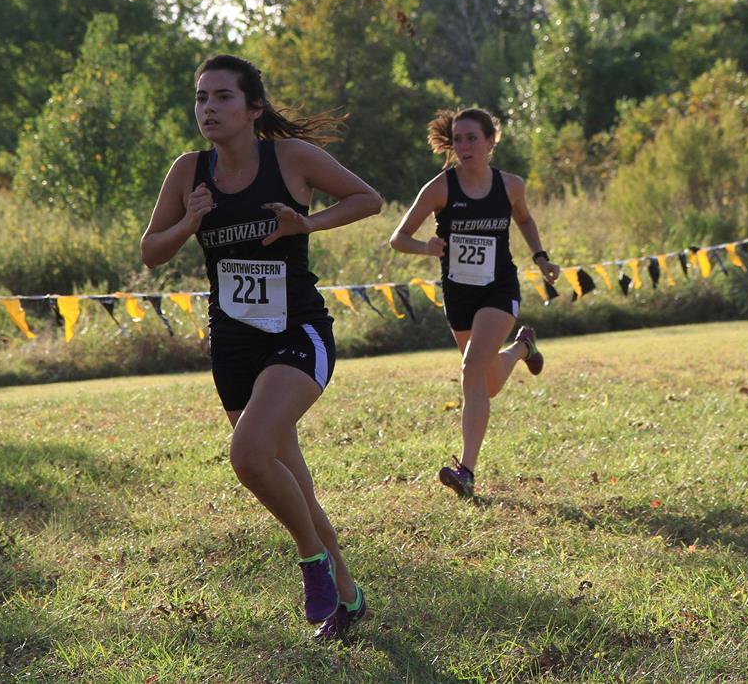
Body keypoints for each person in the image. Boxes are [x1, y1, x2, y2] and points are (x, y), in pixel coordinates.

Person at [141, 55, 381, 641]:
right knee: (291, 479)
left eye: (222, 97)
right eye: (201, 98)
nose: (208, 109)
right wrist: (188, 224)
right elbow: (152, 252)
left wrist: (308, 225)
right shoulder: (188, 172)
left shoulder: (290, 159)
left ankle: (311, 564)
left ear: (252, 109)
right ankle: (347, 598)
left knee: (248, 455)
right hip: (233, 346)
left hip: (297, 333)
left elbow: (367, 200)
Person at [388, 107, 560, 498]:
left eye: (472, 138)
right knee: (488, 382)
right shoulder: (440, 188)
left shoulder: (510, 185)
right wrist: (425, 247)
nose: (464, 146)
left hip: (499, 289)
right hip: (458, 294)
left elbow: (526, 221)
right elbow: (398, 238)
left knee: (469, 371)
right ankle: (521, 348)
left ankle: (465, 470)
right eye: (458, 139)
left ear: (490, 141)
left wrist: (541, 257)